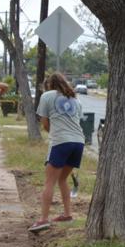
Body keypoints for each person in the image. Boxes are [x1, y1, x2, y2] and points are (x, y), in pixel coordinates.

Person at [29, 72, 85, 232]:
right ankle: (67, 214)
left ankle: (43, 220)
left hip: (61, 142)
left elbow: (45, 123)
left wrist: (55, 135)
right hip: (78, 142)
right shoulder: (75, 100)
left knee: (49, 182)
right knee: (62, 179)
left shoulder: (47, 96)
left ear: (49, 85)